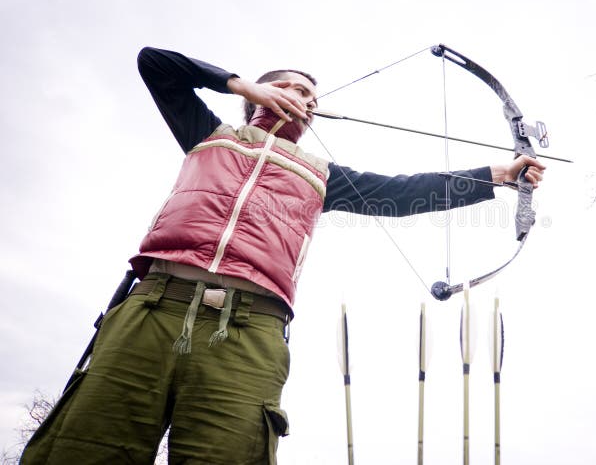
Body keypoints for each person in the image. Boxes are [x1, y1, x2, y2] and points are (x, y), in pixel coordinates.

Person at [21, 47, 545, 464]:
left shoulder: (319, 175)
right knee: (84, 449)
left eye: (310, 95)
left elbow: (404, 191)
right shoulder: (210, 135)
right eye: (291, 88)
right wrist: (237, 83)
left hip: (249, 331)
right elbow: (154, 62)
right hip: (153, 310)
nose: (304, 98)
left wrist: (498, 175)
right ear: (257, 95)